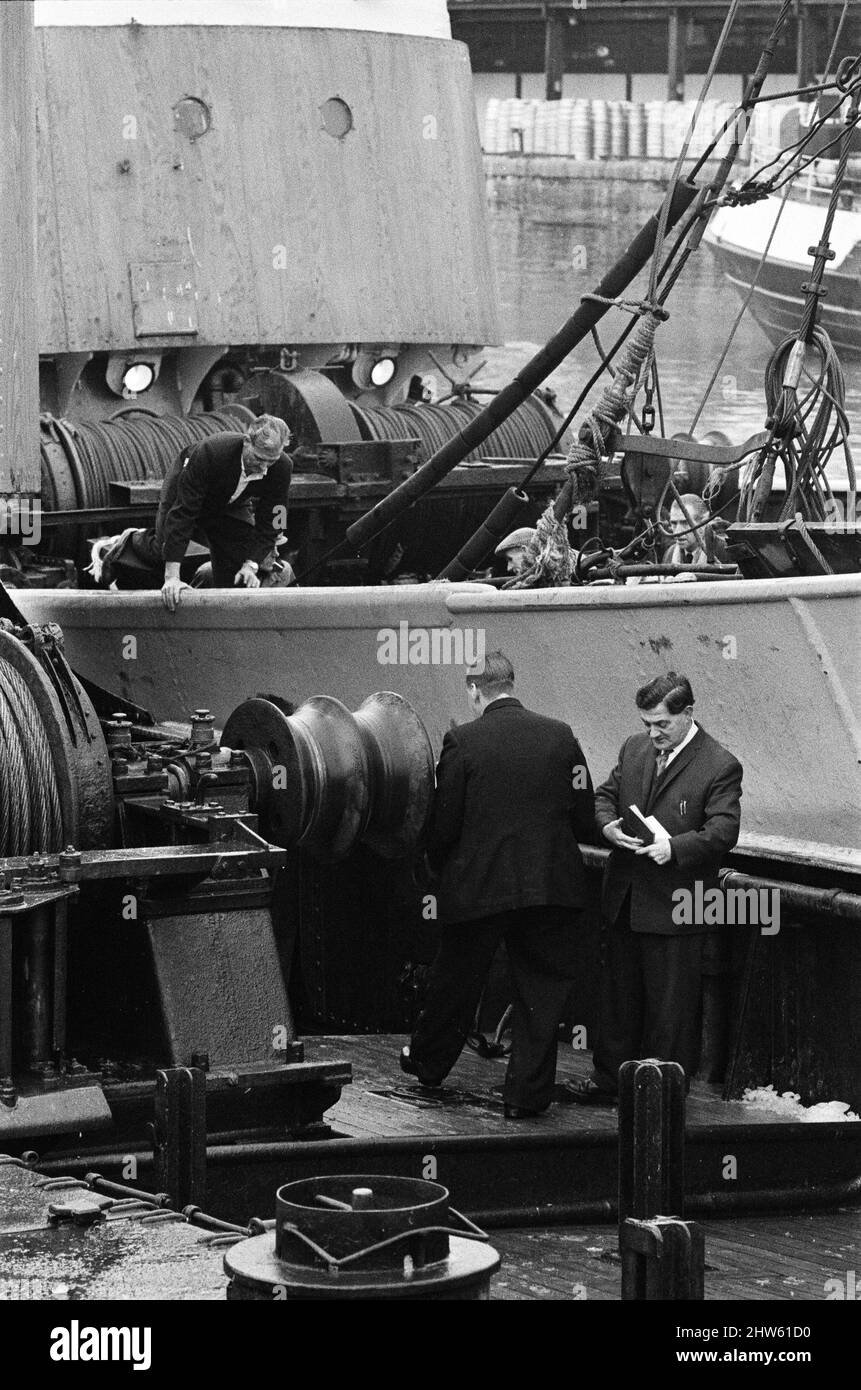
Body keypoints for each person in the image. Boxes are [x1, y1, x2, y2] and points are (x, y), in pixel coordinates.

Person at [400, 651, 595, 1118]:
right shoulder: (560, 735)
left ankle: (428, 1065)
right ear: (512, 682)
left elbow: (444, 825)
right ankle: (525, 1098)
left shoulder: (462, 742)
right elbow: (584, 814)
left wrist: (437, 868)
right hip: (550, 888)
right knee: (541, 993)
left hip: (479, 889)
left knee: (456, 981)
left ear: (474, 689)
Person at [565, 671, 742, 1105]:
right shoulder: (635, 747)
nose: (653, 733)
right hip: (625, 900)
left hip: (676, 907)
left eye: (661, 723)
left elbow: (724, 830)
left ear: (688, 714)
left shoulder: (719, 763)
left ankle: (663, 1096)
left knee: (671, 1011)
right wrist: (606, 826)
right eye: (647, 723)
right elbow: (604, 795)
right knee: (619, 1001)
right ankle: (611, 1081)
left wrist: (675, 848)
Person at [158, 415, 293, 610]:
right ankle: (124, 544)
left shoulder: (282, 467)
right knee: (162, 547)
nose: (264, 469)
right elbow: (183, 514)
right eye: (259, 459)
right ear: (247, 442)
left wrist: (251, 564)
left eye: (270, 462)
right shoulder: (211, 452)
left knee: (238, 556)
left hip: (230, 500)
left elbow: (276, 515)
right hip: (185, 493)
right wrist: (172, 577)